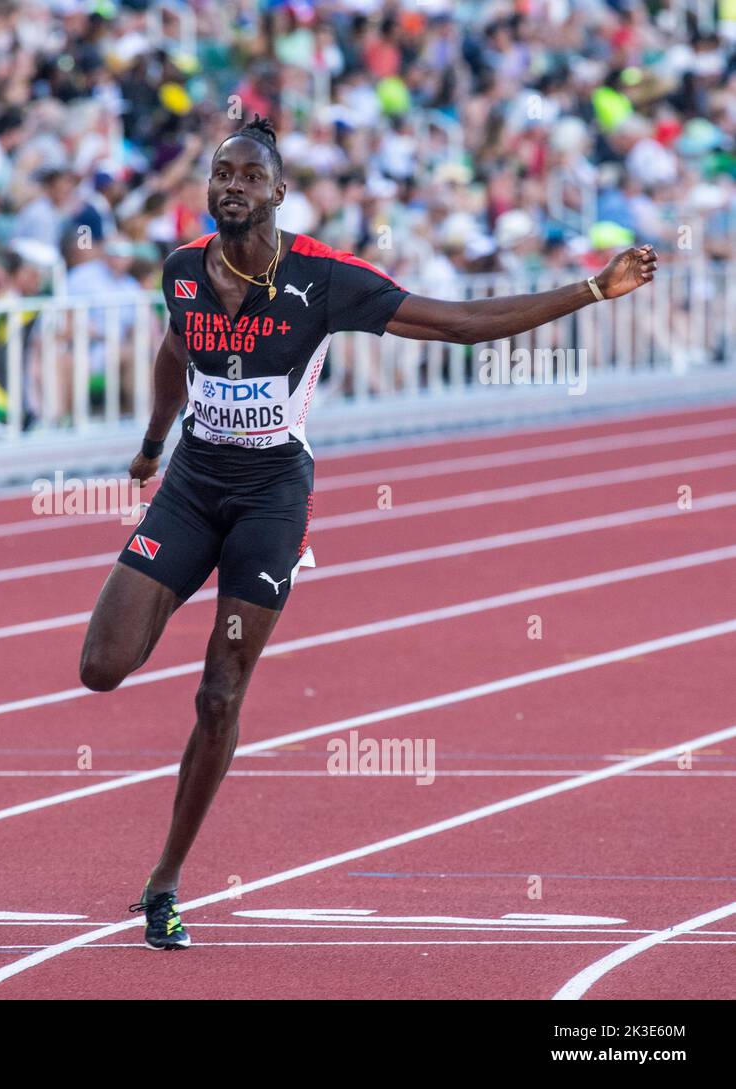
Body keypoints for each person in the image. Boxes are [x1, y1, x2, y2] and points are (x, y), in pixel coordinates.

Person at [78, 116, 657, 950]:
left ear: (278, 192)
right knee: (101, 666)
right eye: (220, 174)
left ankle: (165, 879)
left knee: (218, 691)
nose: (231, 186)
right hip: (192, 485)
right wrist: (150, 442)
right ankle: (167, 598)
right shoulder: (179, 271)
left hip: (272, 499)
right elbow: (176, 350)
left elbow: (458, 322)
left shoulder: (324, 281)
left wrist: (591, 291)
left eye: (248, 176)